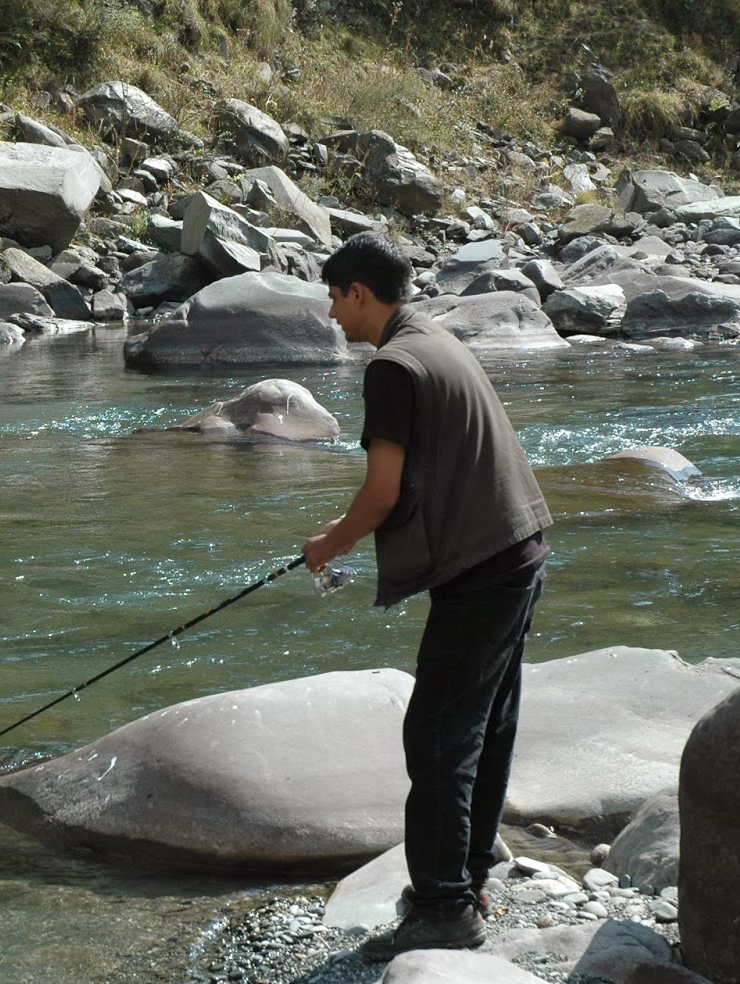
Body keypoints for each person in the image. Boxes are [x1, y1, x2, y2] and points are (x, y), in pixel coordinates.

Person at [302, 231, 552, 961]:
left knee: (438, 734)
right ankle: (463, 880)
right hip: (520, 548)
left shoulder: (393, 365)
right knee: (483, 727)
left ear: (359, 293)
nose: (331, 314)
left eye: (333, 298)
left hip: (484, 565)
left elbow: (381, 493)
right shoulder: (434, 337)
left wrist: (330, 543)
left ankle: (444, 906)